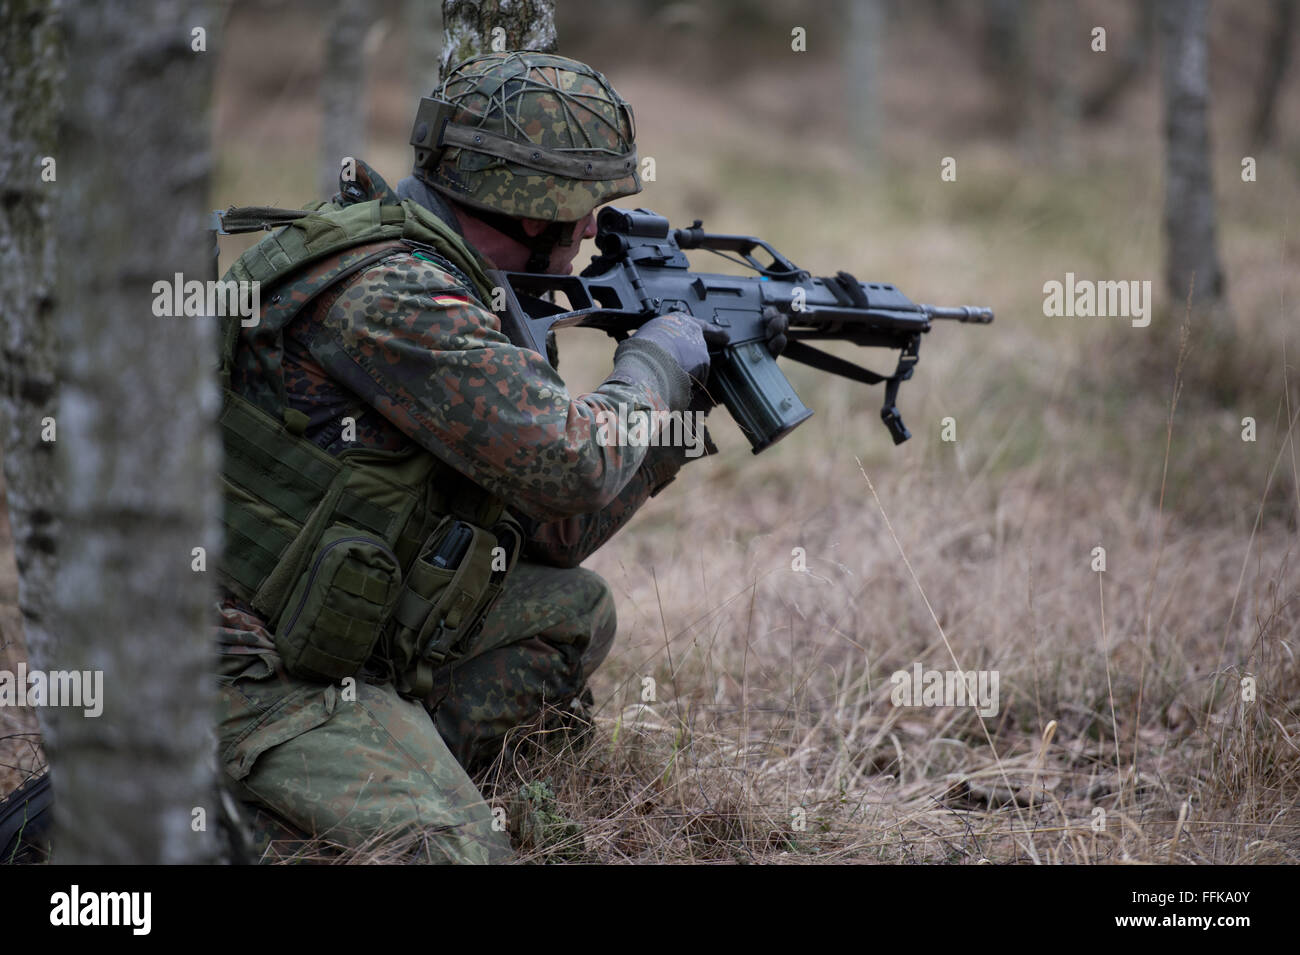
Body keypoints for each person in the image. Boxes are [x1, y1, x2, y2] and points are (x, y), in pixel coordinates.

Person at [214, 50, 729, 863]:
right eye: (584, 202)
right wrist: (658, 362)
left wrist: (684, 414)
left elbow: (550, 527)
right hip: (237, 667)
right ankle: (211, 815)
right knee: (459, 853)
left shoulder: (453, 278)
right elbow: (574, 464)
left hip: (328, 635)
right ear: (529, 203)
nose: (594, 228)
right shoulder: (400, 295)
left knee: (568, 610)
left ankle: (368, 768)